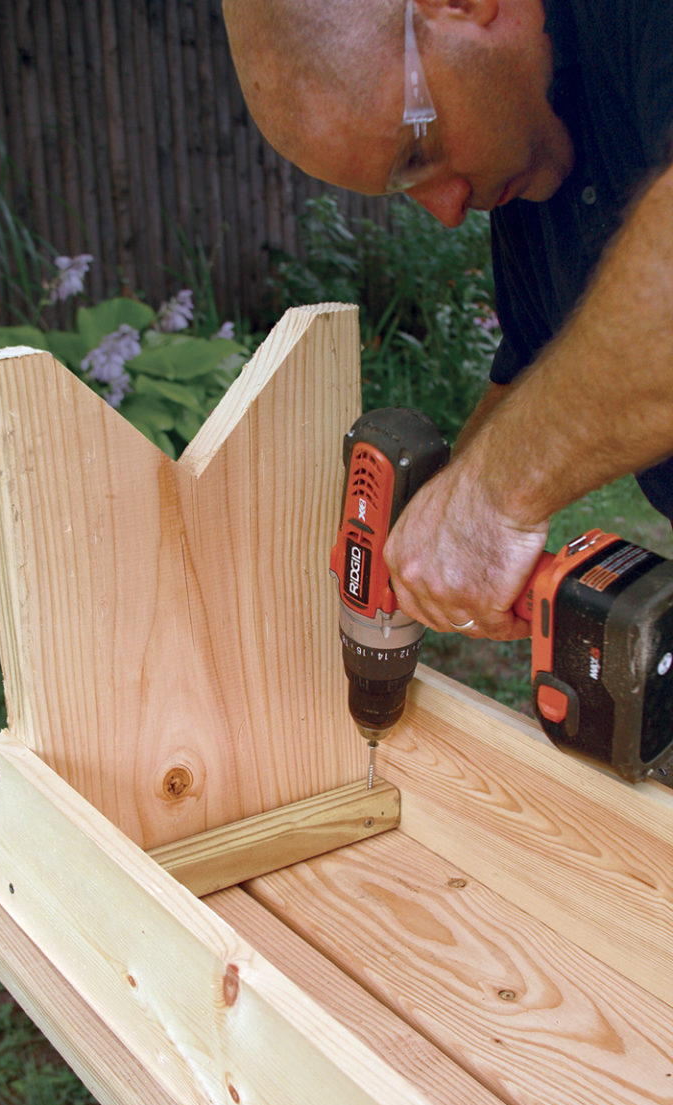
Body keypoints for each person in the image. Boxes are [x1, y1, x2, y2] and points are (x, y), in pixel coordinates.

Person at [223, 0, 673, 641]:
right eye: (407, 189)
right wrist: (431, 527)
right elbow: (542, 370)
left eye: (419, 153)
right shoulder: (526, 146)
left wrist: (493, 497)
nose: (448, 209)